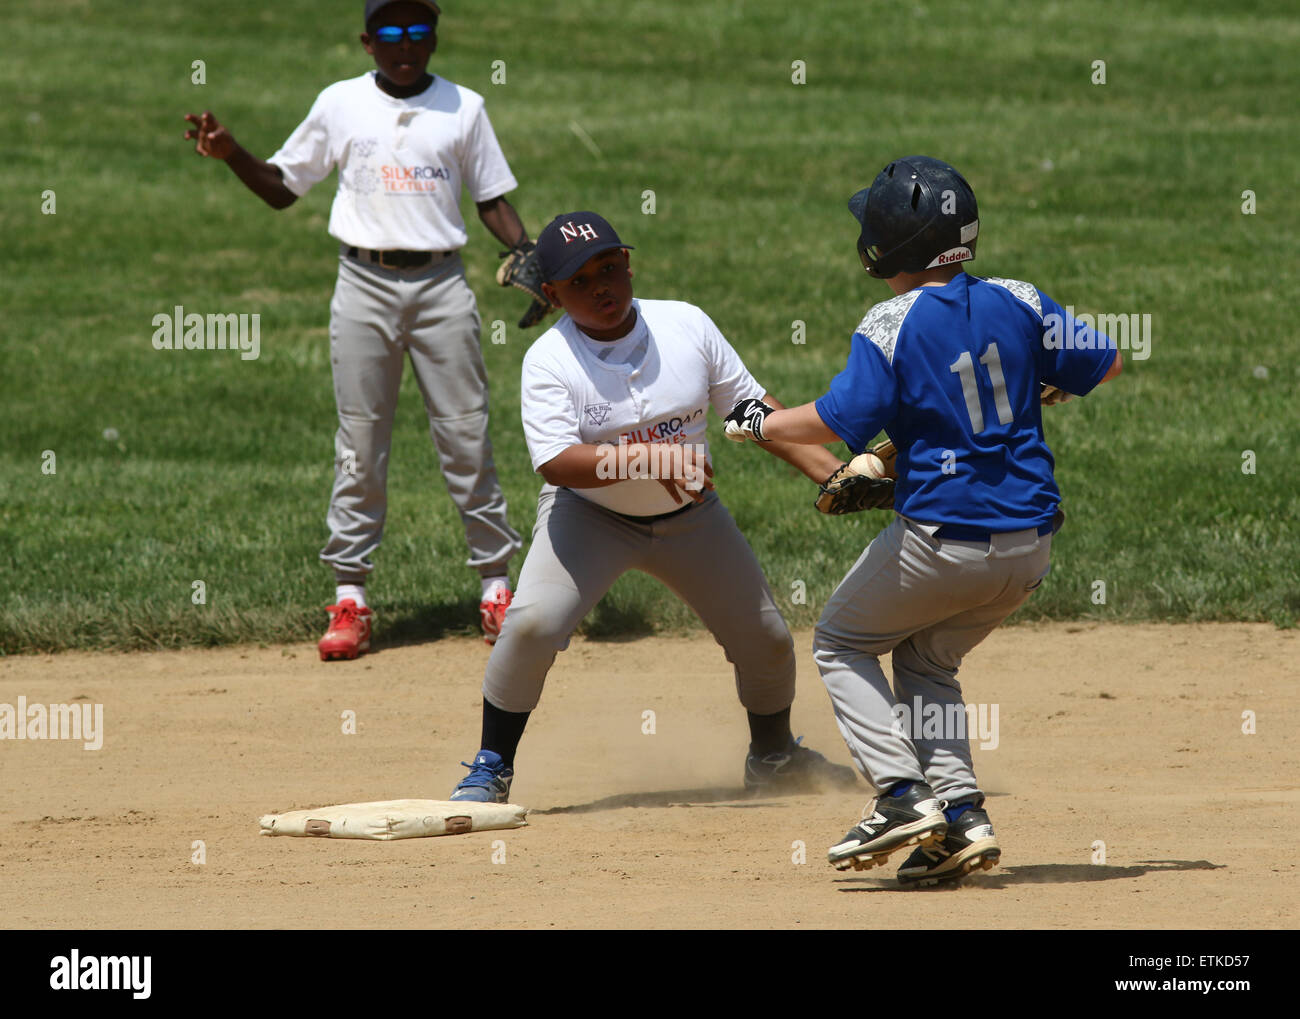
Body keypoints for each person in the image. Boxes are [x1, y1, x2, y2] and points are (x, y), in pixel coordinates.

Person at [724, 156, 1121, 884]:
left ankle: (900, 796)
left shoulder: (890, 320)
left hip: (944, 544)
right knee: (926, 660)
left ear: (885, 248)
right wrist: (1040, 379)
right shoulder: (1019, 298)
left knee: (841, 641)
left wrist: (762, 422)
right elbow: (1108, 362)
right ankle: (961, 817)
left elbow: (836, 419)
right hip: (1031, 549)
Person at [446, 210, 858, 803]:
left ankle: (773, 756)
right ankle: (492, 764)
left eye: (608, 269)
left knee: (767, 636)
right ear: (553, 294)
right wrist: (651, 461)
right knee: (533, 623)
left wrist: (834, 471)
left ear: (628, 265)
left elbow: (751, 413)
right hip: (588, 517)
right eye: (580, 282)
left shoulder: (685, 325)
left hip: (692, 519)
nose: (601, 288)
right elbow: (556, 462)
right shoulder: (549, 359)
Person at [183, 0, 539, 659]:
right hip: (363, 286)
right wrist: (232, 153)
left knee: (466, 436)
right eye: (391, 33)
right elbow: (283, 188)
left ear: (434, 39)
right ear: (367, 42)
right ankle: (350, 596)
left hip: (442, 286)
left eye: (418, 31)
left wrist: (528, 250)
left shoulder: (464, 107)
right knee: (360, 443)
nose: (406, 44)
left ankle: (496, 586)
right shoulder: (340, 103)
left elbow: (491, 198)